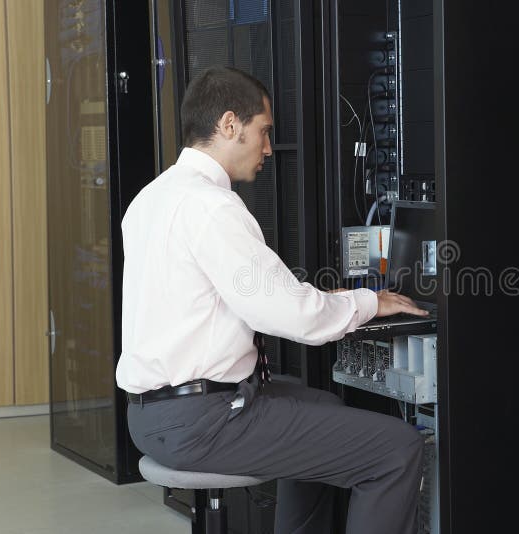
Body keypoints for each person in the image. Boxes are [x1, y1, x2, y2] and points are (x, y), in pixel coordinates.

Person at [115, 65, 428, 534]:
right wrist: (366, 302)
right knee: (397, 451)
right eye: (263, 132)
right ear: (228, 125)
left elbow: (222, 297)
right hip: (204, 421)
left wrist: (324, 299)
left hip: (151, 414)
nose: (267, 148)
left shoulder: (152, 197)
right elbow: (290, 315)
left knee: (326, 407)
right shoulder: (211, 206)